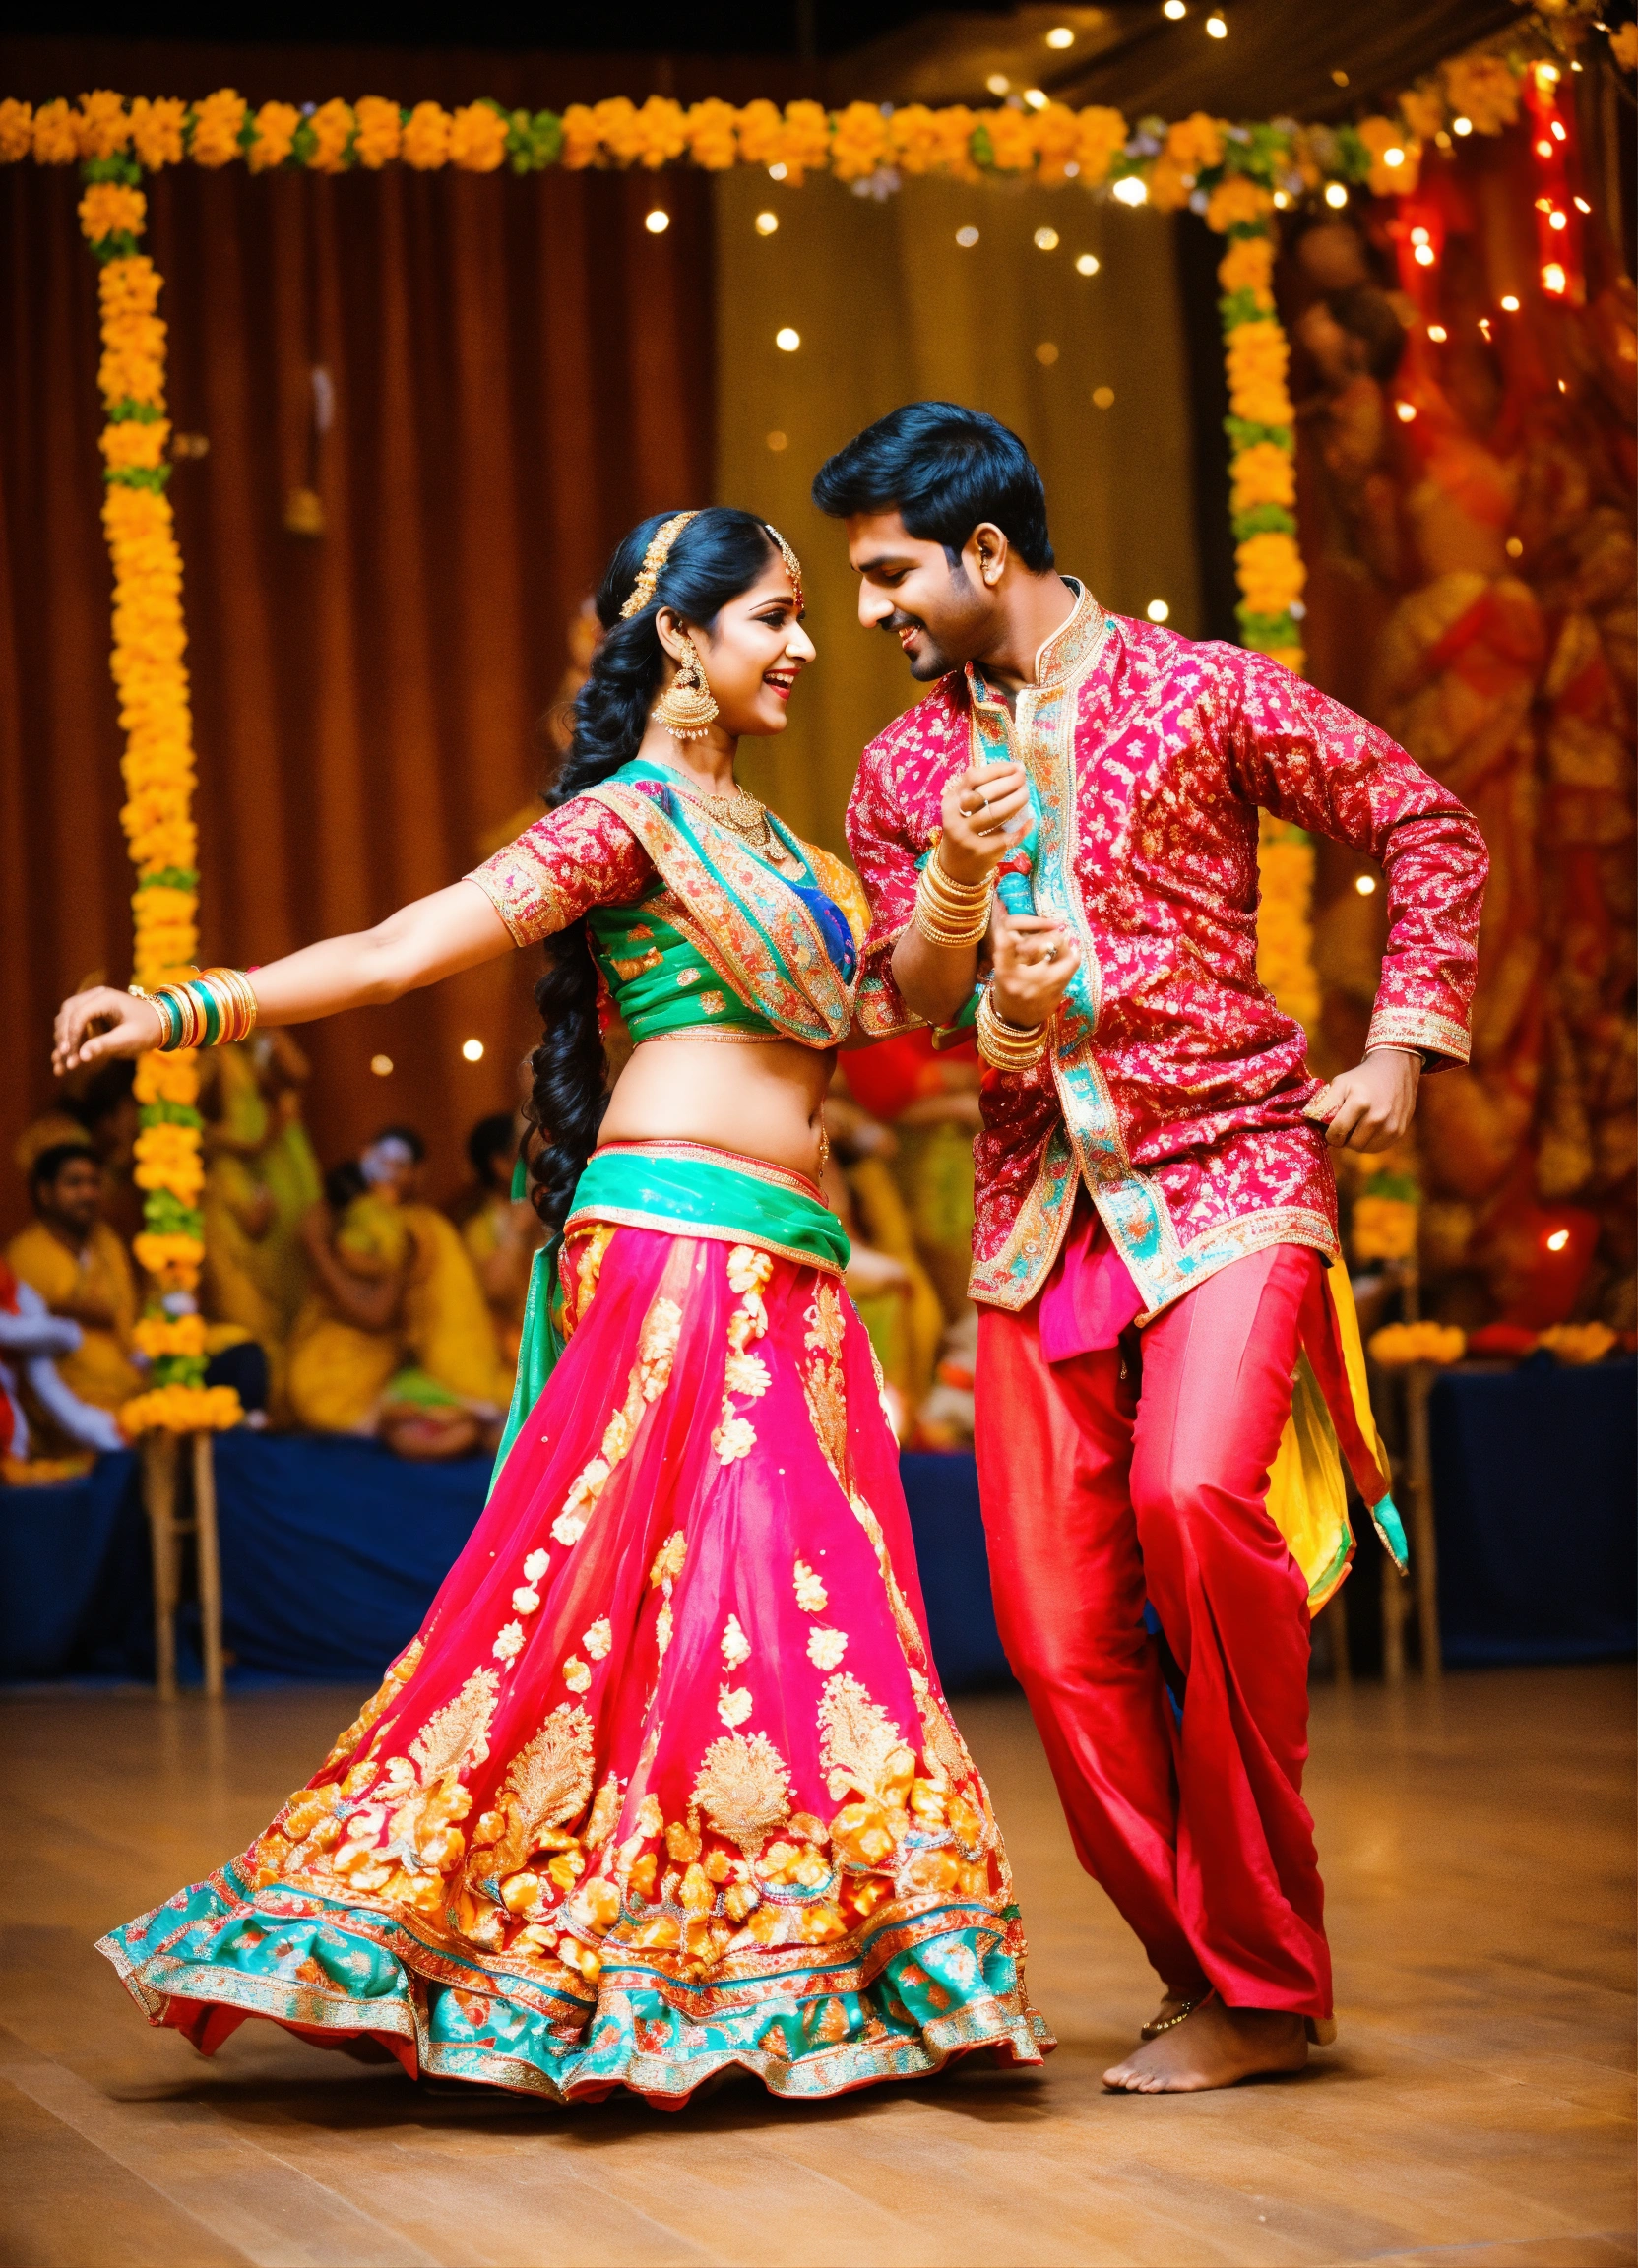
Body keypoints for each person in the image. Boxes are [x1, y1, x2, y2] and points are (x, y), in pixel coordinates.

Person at [56, 506, 1046, 2106]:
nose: (806, 645)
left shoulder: (784, 852)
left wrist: (953, 875)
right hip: (680, 1249)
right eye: (774, 616)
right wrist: (185, 1007)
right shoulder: (622, 825)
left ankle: (775, 1956)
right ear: (681, 636)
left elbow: (891, 1007)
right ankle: (712, 1960)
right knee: (750, 1597)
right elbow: (401, 950)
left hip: (789, 1260)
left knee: (750, 1615)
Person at [814, 403, 1488, 2093]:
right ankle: (1201, 1976)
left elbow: (1427, 826)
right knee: (1051, 1631)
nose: (868, 610)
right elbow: (901, 1000)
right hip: (1032, 1206)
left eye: (889, 573)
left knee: (1194, 1502)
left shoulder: (1201, 690)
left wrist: (1401, 1048)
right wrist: (962, 919)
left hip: (1231, 1164)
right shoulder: (899, 770)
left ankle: (1263, 1973)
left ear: (985, 551)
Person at [7, 1144, 144, 1417]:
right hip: (69, 1412)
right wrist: (70, 1309)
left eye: (94, 1183)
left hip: (132, 1393)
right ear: (45, 1193)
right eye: (74, 1183)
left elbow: (122, 1314)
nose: (88, 1194)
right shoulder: (24, 1255)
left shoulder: (107, 1243)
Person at [458, 1109, 545, 1360]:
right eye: (525, 1153)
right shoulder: (479, 1227)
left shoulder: (546, 1201)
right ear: (501, 1164)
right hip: (516, 1352)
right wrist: (516, 1232)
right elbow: (495, 1291)